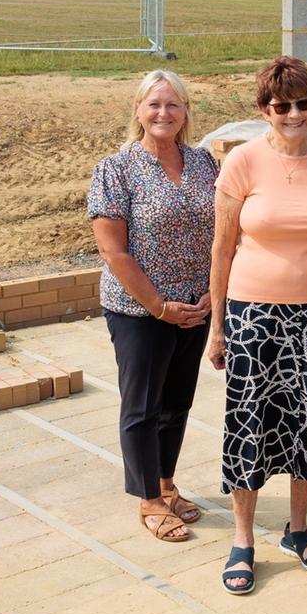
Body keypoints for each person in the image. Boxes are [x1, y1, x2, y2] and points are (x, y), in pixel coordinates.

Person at [208, 57, 307, 595]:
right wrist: (217, 327)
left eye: (304, 104)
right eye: (281, 106)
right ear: (263, 109)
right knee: (250, 423)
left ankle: (298, 530)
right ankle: (243, 538)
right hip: (254, 315)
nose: (294, 114)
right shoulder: (243, 162)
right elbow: (222, 248)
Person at [89, 70, 218, 542]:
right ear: (139, 111)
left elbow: (225, 230)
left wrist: (213, 291)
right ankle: (147, 499)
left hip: (196, 306)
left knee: (177, 403)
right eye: (154, 104)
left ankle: (166, 484)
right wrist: (160, 306)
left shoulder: (204, 163)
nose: (164, 113)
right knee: (143, 406)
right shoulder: (116, 169)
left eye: (173, 104)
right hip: (140, 311)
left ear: (185, 112)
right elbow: (114, 252)